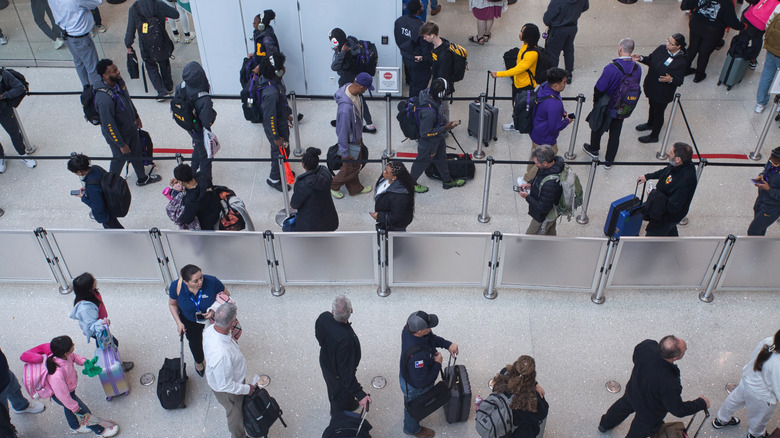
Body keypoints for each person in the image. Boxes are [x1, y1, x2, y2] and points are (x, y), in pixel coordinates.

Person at [598, 336, 709, 437]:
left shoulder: (647, 346)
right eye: (685, 349)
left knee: (621, 408)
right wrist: (700, 403)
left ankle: (604, 424)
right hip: (650, 412)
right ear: (675, 357)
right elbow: (677, 409)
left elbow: (635, 358)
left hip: (633, 391)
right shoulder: (670, 382)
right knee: (638, 431)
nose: (686, 349)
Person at [94, 59, 162, 186]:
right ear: (105, 75)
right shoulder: (103, 99)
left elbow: (127, 100)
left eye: (116, 68)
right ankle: (110, 184)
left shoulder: (119, 82)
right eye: (114, 71)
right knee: (119, 158)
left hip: (130, 127)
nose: (118, 72)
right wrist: (121, 144)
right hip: (118, 135)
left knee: (137, 152)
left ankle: (142, 178)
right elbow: (108, 125)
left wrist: (136, 116)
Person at [41, 335, 120, 436]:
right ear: (65, 353)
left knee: (68, 408)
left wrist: (84, 362)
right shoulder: (56, 376)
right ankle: (100, 431)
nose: (74, 345)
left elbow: (74, 357)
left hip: (68, 390)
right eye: (72, 345)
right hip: (61, 395)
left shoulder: (63, 355)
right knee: (84, 412)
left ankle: (74, 426)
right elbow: (63, 396)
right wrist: (75, 407)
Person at [583, 38, 641, 169]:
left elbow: (600, 87)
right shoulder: (637, 68)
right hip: (623, 105)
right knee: (615, 133)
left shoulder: (611, 68)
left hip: (607, 104)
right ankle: (609, 160)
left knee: (597, 126)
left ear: (620, 48)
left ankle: (594, 150)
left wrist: (596, 103)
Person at [399, 310, 459, 438]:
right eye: (429, 326)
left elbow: (431, 339)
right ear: (420, 331)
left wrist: (448, 345)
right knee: (413, 408)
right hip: (415, 386)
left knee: (412, 404)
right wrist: (438, 364)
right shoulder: (417, 358)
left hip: (412, 374)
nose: (431, 328)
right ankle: (412, 429)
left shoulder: (409, 329)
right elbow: (421, 383)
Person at [712, 329, 780, 438]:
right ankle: (756, 435)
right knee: (758, 419)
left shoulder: (769, 341)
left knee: (733, 400)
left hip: (747, 380)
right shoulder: (778, 364)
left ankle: (721, 419)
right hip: (762, 396)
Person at [203, 303, 256, 438]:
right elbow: (226, 385)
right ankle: (239, 435)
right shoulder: (222, 355)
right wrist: (247, 389)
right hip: (229, 392)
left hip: (231, 379)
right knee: (234, 415)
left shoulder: (210, 330)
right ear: (232, 323)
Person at [168, 264, 230, 378]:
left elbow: (226, 296)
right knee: (194, 342)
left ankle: (218, 363)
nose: (200, 282)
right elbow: (172, 304)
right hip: (189, 320)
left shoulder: (212, 281)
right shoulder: (176, 286)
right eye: (195, 281)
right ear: (185, 282)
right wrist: (178, 322)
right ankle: (199, 361)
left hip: (211, 319)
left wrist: (214, 309)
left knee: (216, 342)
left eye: (201, 277)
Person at [315, 295, 371, 416]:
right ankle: (338, 415)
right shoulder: (347, 340)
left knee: (339, 391)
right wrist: (360, 394)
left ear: (332, 311)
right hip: (337, 375)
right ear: (351, 311)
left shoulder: (323, 317)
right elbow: (346, 374)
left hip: (326, 363)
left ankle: (349, 404)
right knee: (338, 396)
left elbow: (319, 337)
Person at [409, 78, 467, 193]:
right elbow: (425, 133)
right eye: (447, 91)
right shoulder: (429, 112)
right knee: (421, 162)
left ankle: (447, 180)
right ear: (440, 93)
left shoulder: (433, 97)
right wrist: (445, 128)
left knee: (441, 158)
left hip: (438, 138)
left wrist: (444, 125)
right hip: (428, 143)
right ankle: (411, 183)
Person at [69, 272, 134, 372]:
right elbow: (91, 325)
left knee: (107, 346)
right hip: (97, 330)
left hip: (101, 326)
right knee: (111, 346)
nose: (96, 280)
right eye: (93, 280)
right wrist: (101, 323)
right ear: (89, 288)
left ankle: (113, 364)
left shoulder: (90, 294)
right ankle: (117, 367)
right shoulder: (85, 308)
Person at [632, 34, 687, 144]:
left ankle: (654, 135)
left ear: (678, 46)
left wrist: (670, 79)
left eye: (671, 44)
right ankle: (650, 124)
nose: (668, 44)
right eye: (668, 41)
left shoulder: (681, 61)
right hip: (651, 87)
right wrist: (641, 58)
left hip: (662, 93)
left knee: (659, 113)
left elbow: (679, 81)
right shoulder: (662, 49)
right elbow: (651, 60)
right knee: (652, 106)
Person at [522, 67, 571, 185]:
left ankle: (527, 175)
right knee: (544, 159)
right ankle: (528, 180)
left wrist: (562, 112)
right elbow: (554, 127)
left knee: (534, 154)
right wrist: (567, 121)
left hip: (536, 131)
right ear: (555, 85)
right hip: (545, 137)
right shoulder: (553, 104)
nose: (565, 84)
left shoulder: (544, 86)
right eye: (564, 82)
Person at [637, 142, 698, 237]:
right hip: (668, 216)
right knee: (670, 230)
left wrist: (653, 196)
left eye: (671, 153)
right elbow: (666, 172)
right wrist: (647, 176)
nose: (668, 154)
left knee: (652, 236)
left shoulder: (684, 181)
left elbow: (673, 207)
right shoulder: (680, 165)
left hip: (666, 218)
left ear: (678, 159)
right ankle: (672, 241)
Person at [125, 0, 179, 101]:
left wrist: (128, 44)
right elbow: (175, 14)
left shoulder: (134, 9)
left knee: (151, 67)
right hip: (161, 42)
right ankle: (169, 86)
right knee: (164, 62)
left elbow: (130, 30)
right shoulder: (159, 4)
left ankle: (161, 91)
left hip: (146, 46)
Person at [331, 72, 374, 199]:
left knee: (356, 163)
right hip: (349, 141)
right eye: (366, 88)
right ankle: (333, 185)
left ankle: (355, 188)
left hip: (356, 137)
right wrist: (344, 152)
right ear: (361, 87)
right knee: (349, 167)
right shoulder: (345, 108)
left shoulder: (352, 90)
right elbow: (342, 131)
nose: (367, 90)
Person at [681, 0, 744, 83]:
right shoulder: (727, 2)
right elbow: (731, 21)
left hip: (696, 23)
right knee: (705, 52)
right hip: (713, 30)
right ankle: (699, 75)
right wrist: (742, 26)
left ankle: (684, 70)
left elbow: (685, 5)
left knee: (692, 47)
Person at [491, 23, 540, 131]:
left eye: (522, 32)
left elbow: (518, 69)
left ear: (528, 36)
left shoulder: (531, 53)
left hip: (525, 86)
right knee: (516, 104)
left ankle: (519, 125)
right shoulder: (525, 45)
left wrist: (499, 74)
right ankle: (517, 121)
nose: (520, 33)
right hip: (518, 82)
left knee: (521, 107)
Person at [256, 53, 293, 192]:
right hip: (276, 127)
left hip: (281, 121)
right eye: (282, 66)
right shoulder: (270, 92)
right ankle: (274, 178)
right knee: (279, 150)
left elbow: (281, 102)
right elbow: (269, 117)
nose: (284, 68)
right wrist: (275, 137)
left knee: (284, 149)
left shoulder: (274, 80)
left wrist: (287, 113)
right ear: (276, 70)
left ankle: (281, 168)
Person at [175, 61, 217, 183]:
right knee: (206, 157)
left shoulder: (181, 86)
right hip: (201, 130)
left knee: (198, 147)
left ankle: (192, 170)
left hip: (189, 126)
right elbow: (207, 121)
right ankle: (206, 183)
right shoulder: (204, 99)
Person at [328, 28, 376, 133]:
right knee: (360, 100)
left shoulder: (345, 50)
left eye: (334, 40)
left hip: (346, 79)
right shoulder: (350, 42)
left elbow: (334, 66)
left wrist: (341, 53)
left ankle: (343, 121)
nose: (333, 43)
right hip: (355, 77)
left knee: (344, 101)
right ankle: (369, 124)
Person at [490, 356, 549, 438]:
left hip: (499, 418)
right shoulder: (532, 397)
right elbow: (543, 413)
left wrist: (535, 384)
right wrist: (534, 384)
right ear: (532, 375)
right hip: (516, 430)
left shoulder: (504, 372)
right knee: (532, 427)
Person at [49, 0, 102, 88]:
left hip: (66, 33)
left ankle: (87, 89)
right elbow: (96, 2)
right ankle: (98, 93)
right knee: (92, 68)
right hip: (81, 38)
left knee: (79, 62)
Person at [517, 145, 564, 236]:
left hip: (543, 215)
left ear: (545, 163)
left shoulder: (551, 184)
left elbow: (542, 208)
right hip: (551, 210)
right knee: (550, 230)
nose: (536, 165)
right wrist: (530, 184)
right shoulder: (547, 168)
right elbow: (539, 178)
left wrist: (527, 196)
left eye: (537, 163)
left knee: (530, 237)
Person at [67, 153, 122, 229]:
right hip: (110, 201)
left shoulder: (92, 187)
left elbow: (98, 208)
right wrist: (87, 187)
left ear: (79, 172)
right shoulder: (96, 168)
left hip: (106, 214)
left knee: (113, 228)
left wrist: (83, 197)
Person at [290, 147, 339, 232]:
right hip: (328, 216)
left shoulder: (303, 184)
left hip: (310, 223)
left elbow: (294, 204)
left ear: (303, 164)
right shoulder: (325, 172)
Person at [0, 68, 37, 173]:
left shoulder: (4, 74)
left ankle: (22, 154)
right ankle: (0, 156)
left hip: (3, 110)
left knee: (14, 133)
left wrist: (3, 96)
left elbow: (19, 88)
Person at [542, 0, 589, 83]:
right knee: (569, 49)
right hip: (572, 27)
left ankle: (553, 76)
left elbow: (547, 18)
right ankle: (569, 74)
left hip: (558, 29)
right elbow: (586, 7)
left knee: (553, 54)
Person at [394, 0, 432, 99]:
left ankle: (409, 80)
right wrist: (426, 59)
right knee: (418, 85)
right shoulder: (421, 27)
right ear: (419, 10)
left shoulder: (399, 21)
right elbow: (425, 48)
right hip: (417, 60)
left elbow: (397, 38)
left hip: (405, 55)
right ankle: (414, 104)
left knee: (410, 74)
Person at [170, 163, 221, 231]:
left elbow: (187, 220)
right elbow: (195, 176)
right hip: (216, 209)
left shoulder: (191, 200)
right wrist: (180, 179)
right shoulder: (204, 176)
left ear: (180, 182)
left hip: (207, 223)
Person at [420, 21, 455, 119]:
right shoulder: (434, 46)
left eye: (425, 36)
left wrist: (434, 90)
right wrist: (423, 58)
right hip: (436, 80)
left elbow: (443, 74)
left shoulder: (445, 54)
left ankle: (445, 126)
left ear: (432, 36)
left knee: (443, 107)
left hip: (442, 85)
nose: (424, 38)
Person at [0, 347, 45, 417]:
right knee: (3, 413)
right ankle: (7, 425)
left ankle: (21, 405)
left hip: (3, 371)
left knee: (14, 387)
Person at [371, 161, 415, 231]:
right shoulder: (386, 178)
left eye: (386, 172)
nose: (383, 172)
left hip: (394, 225)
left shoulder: (400, 197)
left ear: (394, 177)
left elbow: (397, 217)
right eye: (385, 169)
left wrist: (379, 216)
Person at [748, 146, 780, 235]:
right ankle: (759, 241)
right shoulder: (773, 160)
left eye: (776, 164)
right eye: (771, 161)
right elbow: (766, 170)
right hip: (761, 199)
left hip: (771, 208)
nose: (772, 164)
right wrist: (761, 175)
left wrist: (769, 189)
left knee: (753, 231)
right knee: (760, 226)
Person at [755, 9, 780, 113]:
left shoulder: (779, 6)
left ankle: (760, 104)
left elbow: (768, 24)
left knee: (767, 75)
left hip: (772, 48)